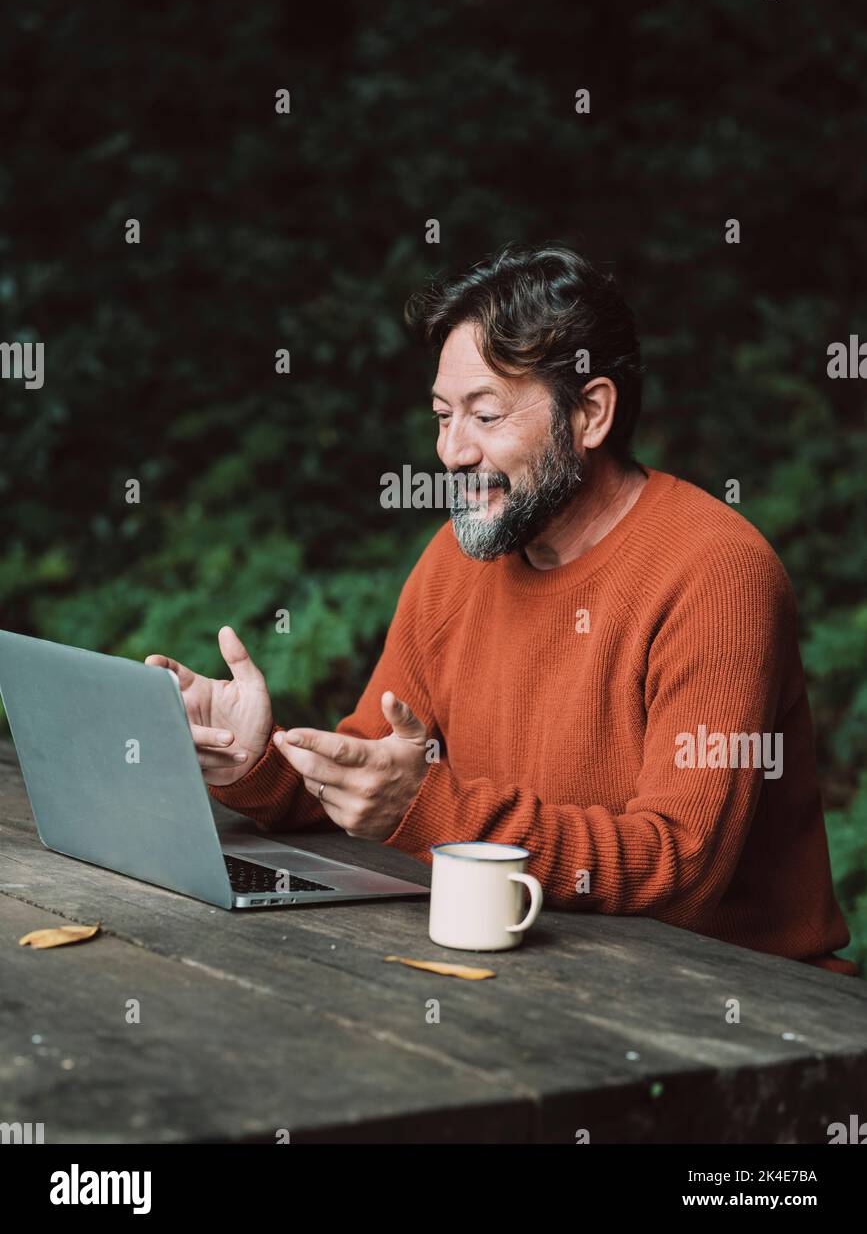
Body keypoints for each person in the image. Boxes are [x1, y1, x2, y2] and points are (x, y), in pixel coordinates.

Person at [146, 244, 856, 975]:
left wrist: (429, 808)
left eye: (483, 415)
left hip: (738, 1007)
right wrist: (258, 759)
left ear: (590, 412)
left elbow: (678, 865)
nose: (450, 450)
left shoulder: (714, 572)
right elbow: (378, 774)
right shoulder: (456, 560)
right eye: (441, 415)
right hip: (534, 974)